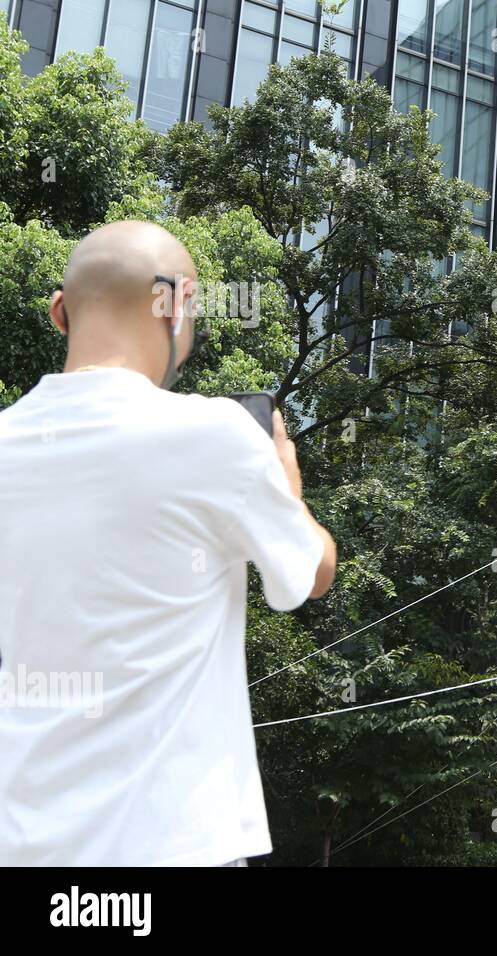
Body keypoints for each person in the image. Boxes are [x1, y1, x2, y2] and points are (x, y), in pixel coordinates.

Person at [0, 221, 337, 866]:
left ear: (60, 311)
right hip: (175, 846)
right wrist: (287, 485)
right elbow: (311, 572)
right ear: (177, 304)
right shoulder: (215, 435)